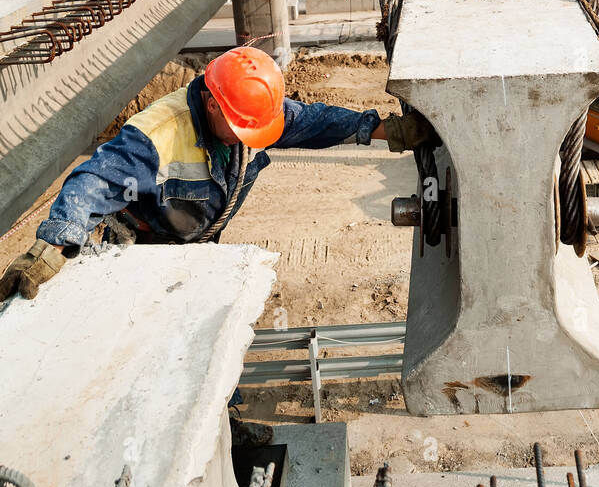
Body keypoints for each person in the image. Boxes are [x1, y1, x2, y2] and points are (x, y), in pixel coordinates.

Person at [0, 46, 431, 301]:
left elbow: (316, 122)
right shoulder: (156, 136)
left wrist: (384, 130)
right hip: (143, 251)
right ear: (210, 103)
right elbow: (92, 181)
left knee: (209, 331)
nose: (250, 137)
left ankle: (229, 427)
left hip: (199, 243)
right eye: (242, 127)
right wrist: (53, 245)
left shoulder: (250, 112)